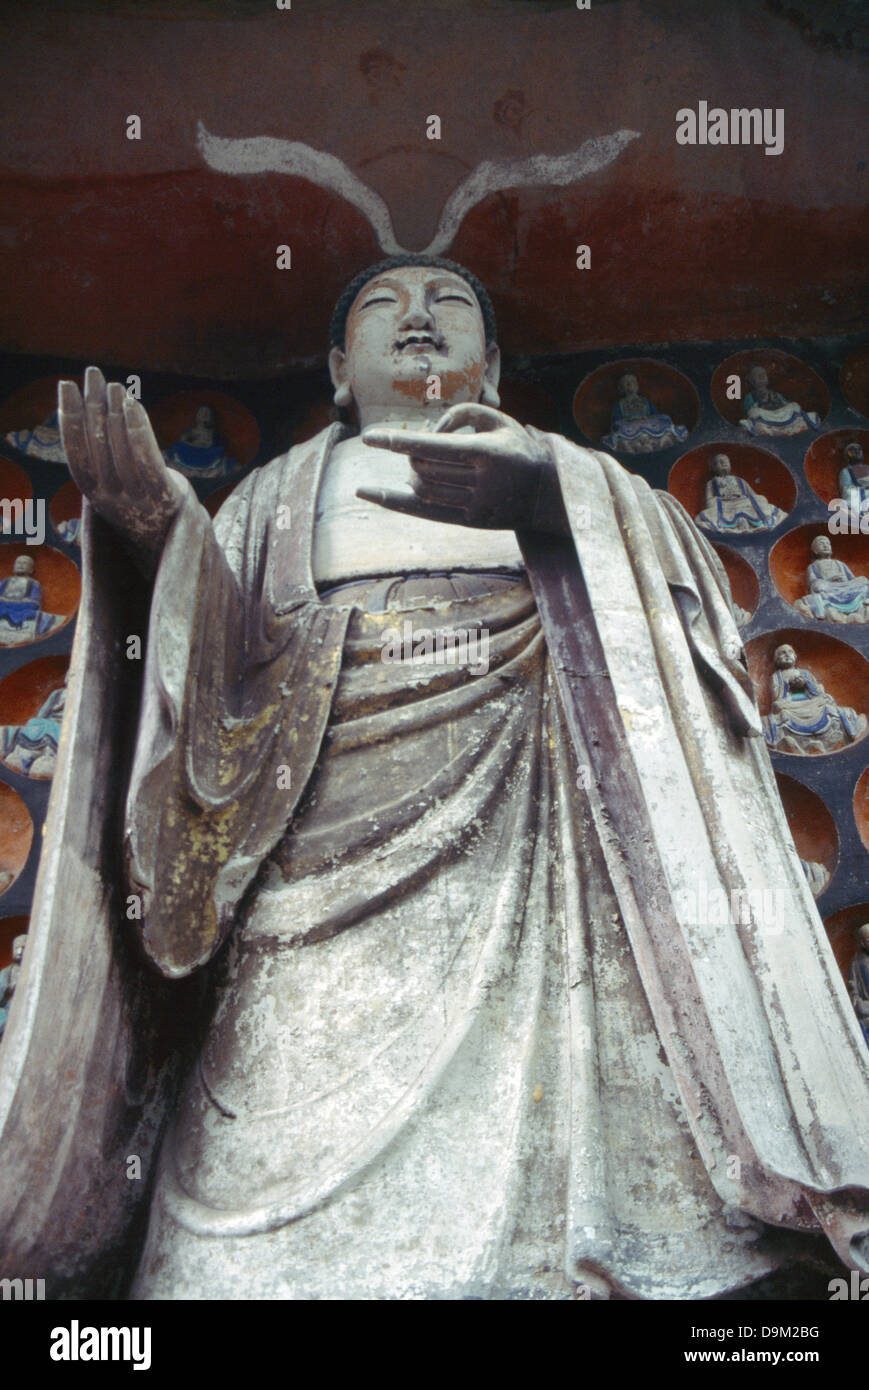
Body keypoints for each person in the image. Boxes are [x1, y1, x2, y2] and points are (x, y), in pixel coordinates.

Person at [2, 256, 869, 1301]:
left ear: (492, 365)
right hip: (306, 898)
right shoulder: (267, 503)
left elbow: (694, 658)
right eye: (383, 307)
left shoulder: (577, 478)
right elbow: (200, 713)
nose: (417, 320)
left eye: (447, 305)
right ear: (335, 366)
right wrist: (157, 527)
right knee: (217, 1262)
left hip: (538, 879)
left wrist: (554, 504)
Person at [762, 643, 867, 753]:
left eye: (790, 652)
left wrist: (805, 684)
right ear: (776, 659)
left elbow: (818, 692)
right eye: (782, 653)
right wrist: (788, 685)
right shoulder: (777, 676)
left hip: (812, 702)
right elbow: (777, 697)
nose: (787, 655)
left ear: (795, 656)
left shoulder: (805, 673)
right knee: (780, 710)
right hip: (791, 705)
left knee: (828, 705)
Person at [694, 453, 785, 534]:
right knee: (704, 515)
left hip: (743, 501)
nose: (723, 464)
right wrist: (717, 500)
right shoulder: (711, 483)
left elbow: (752, 494)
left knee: (760, 499)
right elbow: (709, 499)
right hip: (724, 505)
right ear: (714, 467)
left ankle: (760, 523)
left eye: (726, 462)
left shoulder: (739, 480)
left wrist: (755, 498)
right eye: (720, 462)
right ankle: (730, 527)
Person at [601, 372, 688, 453]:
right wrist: (629, 420)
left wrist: (647, 418)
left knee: (664, 418)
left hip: (648, 423)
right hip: (630, 427)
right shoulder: (620, 404)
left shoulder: (645, 401)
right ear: (622, 388)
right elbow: (616, 421)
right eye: (626, 383)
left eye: (632, 382)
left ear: (637, 385)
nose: (630, 385)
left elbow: (655, 414)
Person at [794, 535, 869, 624]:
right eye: (821, 544)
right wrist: (828, 581)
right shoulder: (813, 566)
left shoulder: (839, 563)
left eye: (827, 543)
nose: (825, 546)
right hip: (829, 589)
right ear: (815, 550)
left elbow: (852, 579)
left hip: (846, 588)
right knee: (818, 585)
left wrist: (845, 581)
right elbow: (812, 583)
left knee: (863, 580)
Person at [0, 554, 63, 646]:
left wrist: (15, 602)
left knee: (35, 614)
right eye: (18, 563)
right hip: (3, 607)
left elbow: (34, 603)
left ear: (31, 569)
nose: (20, 565)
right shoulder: (5, 581)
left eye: (24, 563)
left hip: (23, 609)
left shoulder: (33, 583)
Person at [739, 365, 820, 437]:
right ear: (752, 381)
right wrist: (759, 404)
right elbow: (749, 411)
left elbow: (785, 403)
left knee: (794, 405)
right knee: (754, 412)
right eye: (758, 376)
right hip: (765, 417)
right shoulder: (750, 396)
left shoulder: (774, 393)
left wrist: (779, 403)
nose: (762, 377)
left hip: (781, 414)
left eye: (763, 375)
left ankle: (795, 424)